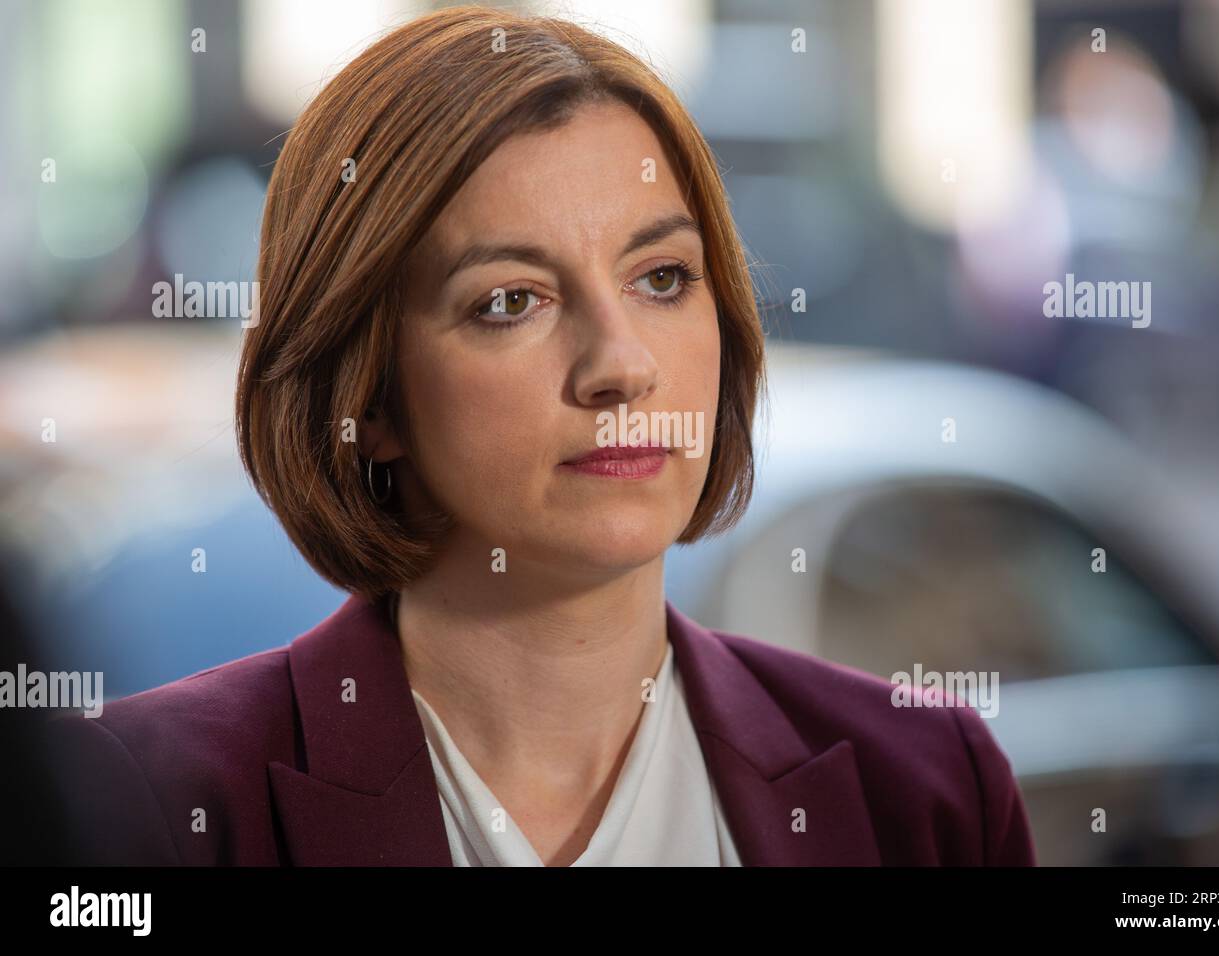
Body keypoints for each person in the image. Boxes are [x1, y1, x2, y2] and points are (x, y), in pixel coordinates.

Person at [44, 5, 1035, 866]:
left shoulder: (925, 782)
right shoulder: (144, 804)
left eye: (662, 279)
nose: (621, 363)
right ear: (371, 393)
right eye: (511, 299)